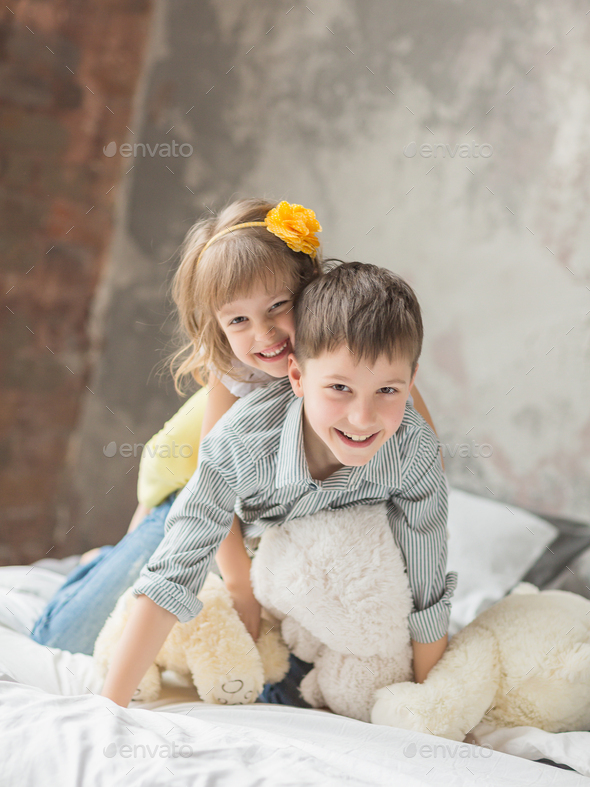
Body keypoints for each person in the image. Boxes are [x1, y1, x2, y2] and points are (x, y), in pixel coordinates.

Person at [30, 198, 437, 658]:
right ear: (219, 327)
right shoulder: (235, 375)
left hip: (275, 515)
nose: (264, 333)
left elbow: (423, 450)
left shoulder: (356, 358)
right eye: (238, 320)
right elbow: (210, 488)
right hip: (189, 498)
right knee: (65, 639)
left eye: (279, 306)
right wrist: (240, 584)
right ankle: (99, 564)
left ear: (311, 291)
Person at [100, 260, 457, 708]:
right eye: (339, 388)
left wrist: (432, 705)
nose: (362, 419)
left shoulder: (413, 449)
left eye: (387, 391)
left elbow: (427, 587)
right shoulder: (239, 442)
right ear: (297, 378)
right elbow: (176, 569)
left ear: (411, 382)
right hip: (241, 554)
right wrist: (108, 709)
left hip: (327, 598)